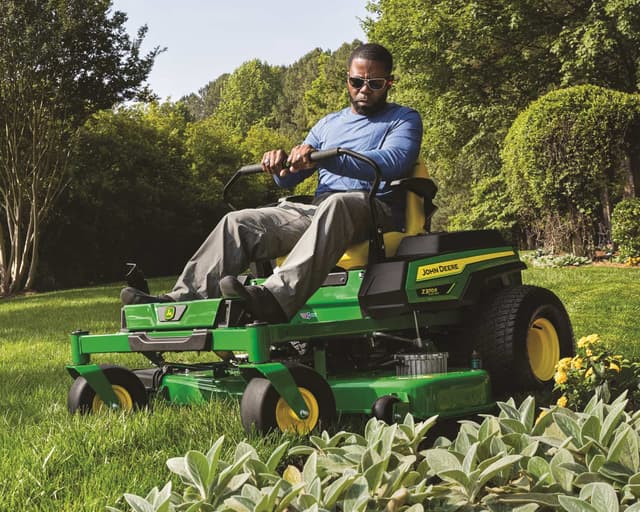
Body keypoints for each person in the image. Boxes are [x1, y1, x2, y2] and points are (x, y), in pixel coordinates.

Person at [121, 43, 423, 323]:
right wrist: (280, 165)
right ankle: (179, 302)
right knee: (237, 222)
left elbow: (393, 161)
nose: (364, 89)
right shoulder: (328, 124)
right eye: (357, 81)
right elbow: (290, 176)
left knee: (337, 203)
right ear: (347, 80)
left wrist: (327, 158)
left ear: (389, 83)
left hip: (373, 207)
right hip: (319, 211)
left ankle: (274, 299)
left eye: (374, 83)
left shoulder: (403, 119)